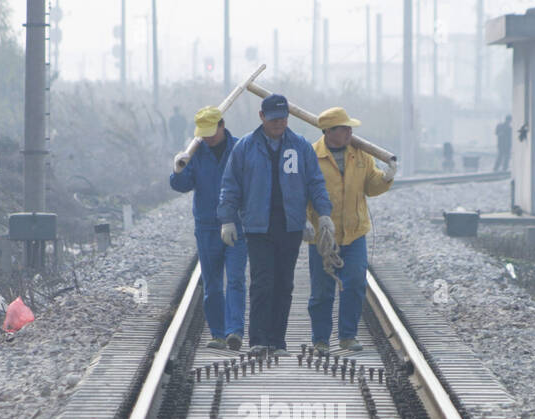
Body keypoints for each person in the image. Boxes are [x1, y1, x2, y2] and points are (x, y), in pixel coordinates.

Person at [217, 93, 332, 354]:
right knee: (261, 281)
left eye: (282, 119)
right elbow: (230, 185)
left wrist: (323, 214)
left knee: (284, 283)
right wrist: (228, 219)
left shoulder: (300, 146)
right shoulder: (245, 147)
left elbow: (315, 182)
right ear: (261, 117)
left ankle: (278, 341)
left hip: (290, 225)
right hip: (258, 226)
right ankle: (258, 339)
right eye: (273, 119)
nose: (278, 124)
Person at [303, 106, 396, 354]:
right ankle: (320, 339)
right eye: (345, 128)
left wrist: (386, 178)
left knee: (354, 283)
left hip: (355, 233)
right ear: (330, 131)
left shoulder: (361, 154)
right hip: (323, 236)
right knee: (322, 291)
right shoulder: (311, 156)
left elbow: (371, 187)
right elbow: (300, 192)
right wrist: (303, 221)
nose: (350, 132)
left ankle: (348, 336)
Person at [170, 106, 247, 349]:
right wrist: (178, 170)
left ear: (222, 126)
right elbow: (182, 185)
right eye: (203, 133)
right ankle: (217, 333)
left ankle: (235, 331)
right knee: (212, 283)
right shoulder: (195, 152)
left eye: (212, 131)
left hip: (237, 225)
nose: (208, 137)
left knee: (235, 279)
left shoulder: (240, 149)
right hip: (206, 226)